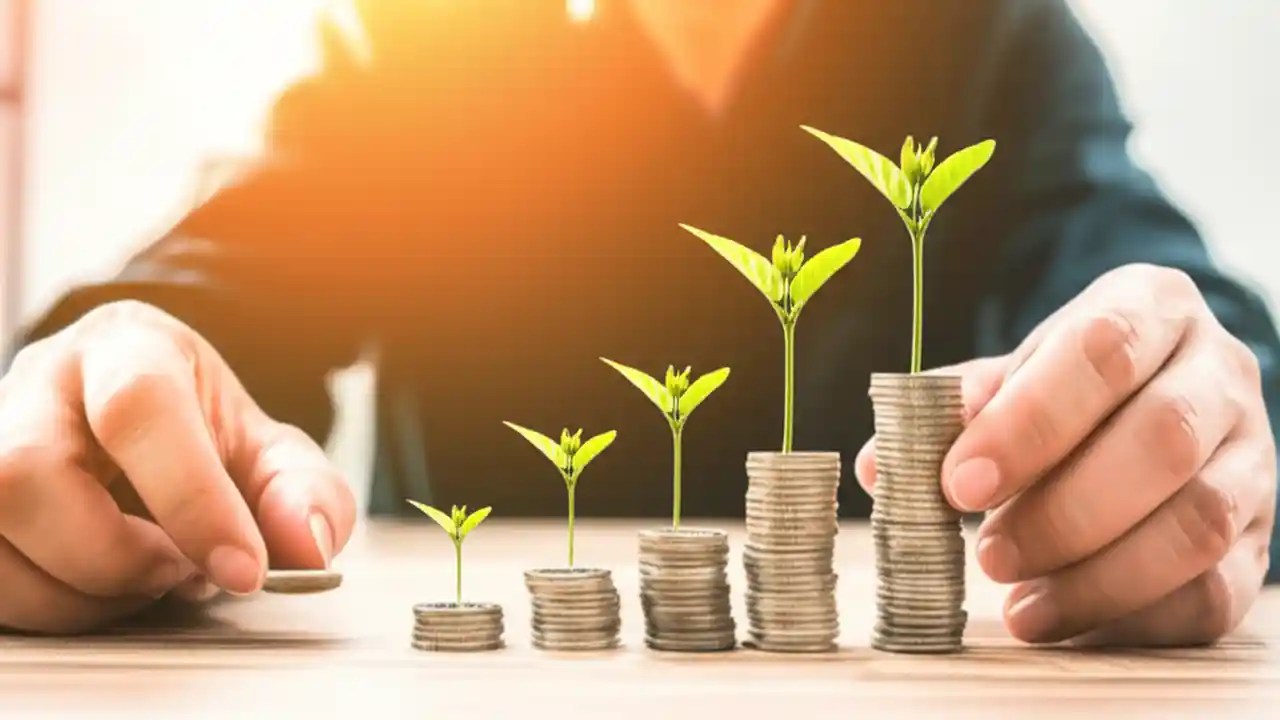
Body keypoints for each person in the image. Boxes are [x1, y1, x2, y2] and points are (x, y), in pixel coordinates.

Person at [0, 0, 1275, 646]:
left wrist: (1211, 413)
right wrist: (101, 373)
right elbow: (205, 291)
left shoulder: (984, 40)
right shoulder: (434, 65)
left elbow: (1161, 294)